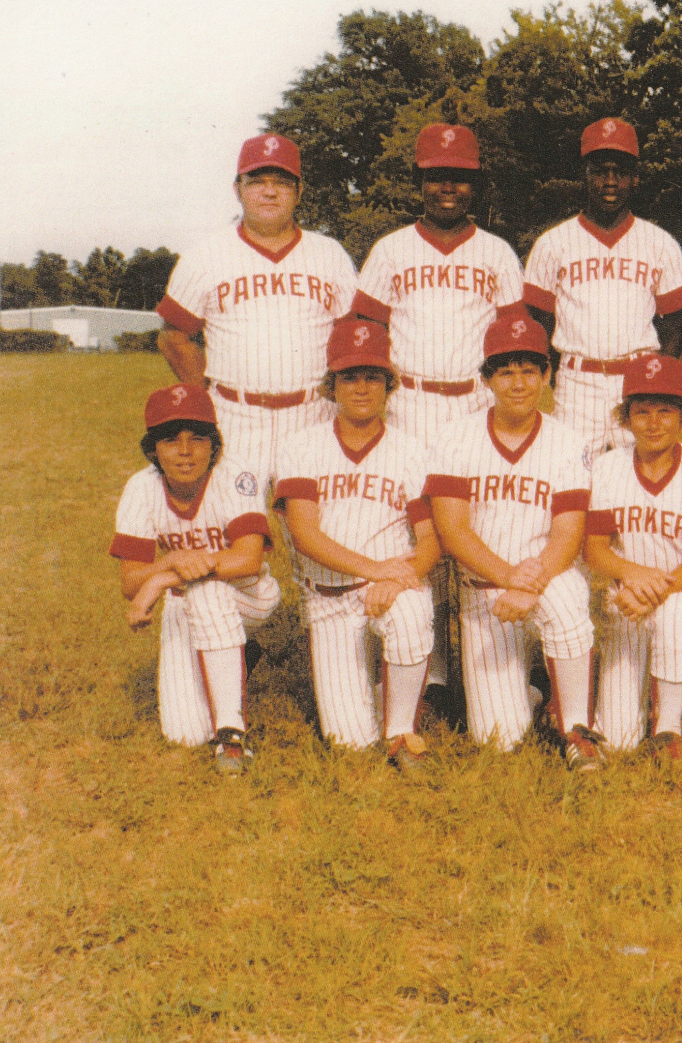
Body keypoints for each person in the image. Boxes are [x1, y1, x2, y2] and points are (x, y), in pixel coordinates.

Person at [351, 123, 527, 712]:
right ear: (420, 183)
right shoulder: (391, 249)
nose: (447, 187)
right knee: (414, 534)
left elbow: (512, 336)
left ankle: (495, 661)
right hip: (409, 402)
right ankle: (426, 674)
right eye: (436, 177)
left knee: (481, 529)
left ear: (473, 185)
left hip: (476, 403)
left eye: (458, 177)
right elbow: (365, 332)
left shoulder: (497, 252)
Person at [425, 316, 602, 769]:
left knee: (567, 602)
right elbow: (453, 529)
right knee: (500, 737)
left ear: (547, 375)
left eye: (529, 370)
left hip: (549, 576)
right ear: (486, 378)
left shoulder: (568, 441)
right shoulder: (453, 436)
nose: (518, 382)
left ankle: (576, 728)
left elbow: (568, 530)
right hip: (485, 590)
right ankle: (544, 684)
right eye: (505, 371)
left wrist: (530, 583)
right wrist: (507, 578)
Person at [273, 319, 439, 769]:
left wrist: (405, 576)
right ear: (332, 385)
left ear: (389, 385)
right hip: (328, 595)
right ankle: (384, 693)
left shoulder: (410, 449)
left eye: (373, 377)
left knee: (412, 612)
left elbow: (429, 540)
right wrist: (378, 568)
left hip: (387, 587)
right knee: (348, 742)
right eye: (350, 376)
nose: (361, 387)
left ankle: (402, 733)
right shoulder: (300, 447)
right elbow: (304, 536)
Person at [156, 133, 357, 494]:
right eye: (257, 181)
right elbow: (174, 335)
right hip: (235, 416)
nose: (269, 192)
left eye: (281, 183)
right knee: (236, 534)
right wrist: (205, 398)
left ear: (299, 191)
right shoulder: (205, 255)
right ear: (238, 188)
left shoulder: (330, 254)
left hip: (313, 415)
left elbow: (351, 334)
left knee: (318, 537)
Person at [111, 384, 279, 773]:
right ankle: (238, 659)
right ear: (153, 449)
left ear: (214, 444)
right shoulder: (141, 487)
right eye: (171, 440)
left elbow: (248, 560)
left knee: (207, 596)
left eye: (197, 438)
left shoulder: (235, 475)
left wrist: (159, 580)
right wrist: (173, 563)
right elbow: (129, 583)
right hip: (185, 598)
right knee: (185, 733)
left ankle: (232, 736)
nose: (185, 451)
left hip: (250, 595)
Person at [522, 118, 682, 458]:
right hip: (577, 383)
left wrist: (652, 379)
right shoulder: (552, 243)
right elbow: (539, 321)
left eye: (621, 171)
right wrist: (559, 370)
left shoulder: (660, 243)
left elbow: (674, 324)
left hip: (638, 381)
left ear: (635, 178)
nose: (610, 182)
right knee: (572, 480)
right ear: (584, 175)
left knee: (638, 483)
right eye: (600, 171)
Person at [586, 355, 682, 756]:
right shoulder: (608, 467)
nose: (654, 422)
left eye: (666, 411)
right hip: (629, 594)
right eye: (642, 412)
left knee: (675, 616)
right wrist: (633, 576)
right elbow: (594, 547)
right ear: (625, 418)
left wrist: (653, 589)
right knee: (618, 742)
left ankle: (668, 731)